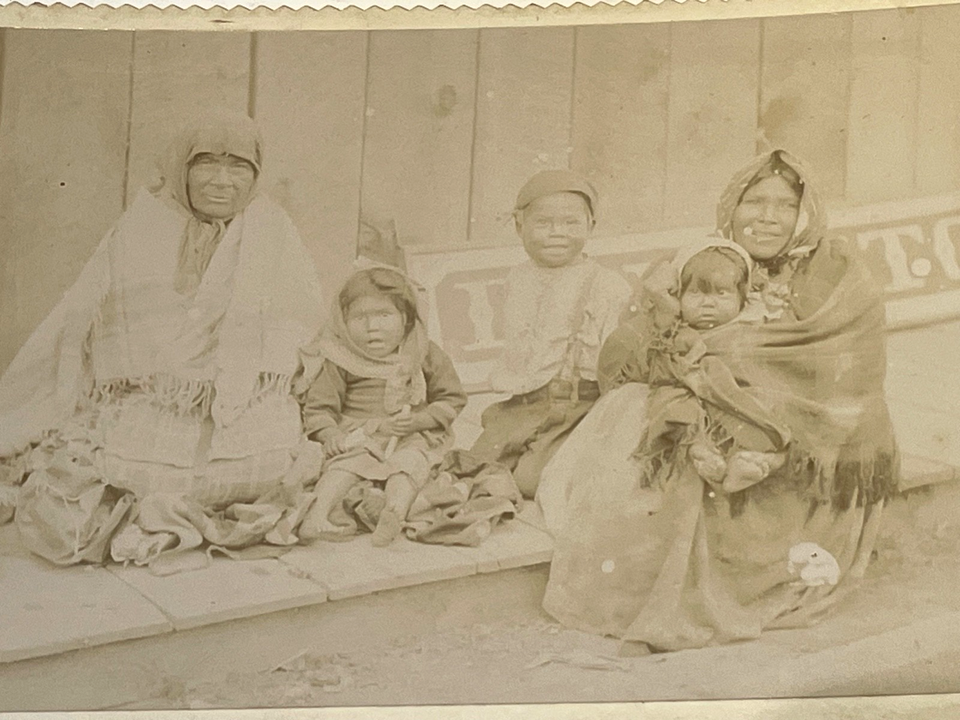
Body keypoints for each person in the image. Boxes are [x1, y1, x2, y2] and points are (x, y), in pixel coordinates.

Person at [538, 150, 899, 652]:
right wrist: (691, 368)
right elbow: (628, 343)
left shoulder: (837, 271)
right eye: (754, 202)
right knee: (636, 413)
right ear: (733, 205)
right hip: (709, 418)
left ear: (806, 213)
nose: (767, 217)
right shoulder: (705, 260)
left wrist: (733, 364)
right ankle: (633, 586)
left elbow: (843, 370)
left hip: (798, 446)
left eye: (784, 205)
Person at [1, 113, 325, 566]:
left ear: (255, 174)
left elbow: (300, 329)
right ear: (181, 168)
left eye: (238, 167)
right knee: (131, 465)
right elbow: (97, 324)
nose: (221, 181)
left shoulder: (273, 231)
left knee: (267, 464)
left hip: (243, 396)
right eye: (206, 163)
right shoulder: (142, 227)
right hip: (157, 393)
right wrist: (179, 374)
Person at [467, 169, 632, 498]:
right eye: (543, 223)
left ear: (591, 226)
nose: (558, 233)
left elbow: (617, 368)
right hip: (524, 404)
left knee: (531, 480)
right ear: (519, 226)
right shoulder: (518, 279)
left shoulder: (606, 285)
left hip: (573, 407)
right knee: (473, 464)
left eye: (571, 223)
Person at [296, 264, 468, 547]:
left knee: (410, 462)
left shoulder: (422, 352)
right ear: (342, 320)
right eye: (360, 317)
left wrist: (420, 421)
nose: (372, 327)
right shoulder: (339, 357)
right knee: (347, 464)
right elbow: (319, 408)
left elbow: (452, 398)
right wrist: (331, 435)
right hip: (359, 432)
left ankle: (394, 512)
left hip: (409, 432)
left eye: (384, 315)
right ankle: (317, 515)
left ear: (406, 319)